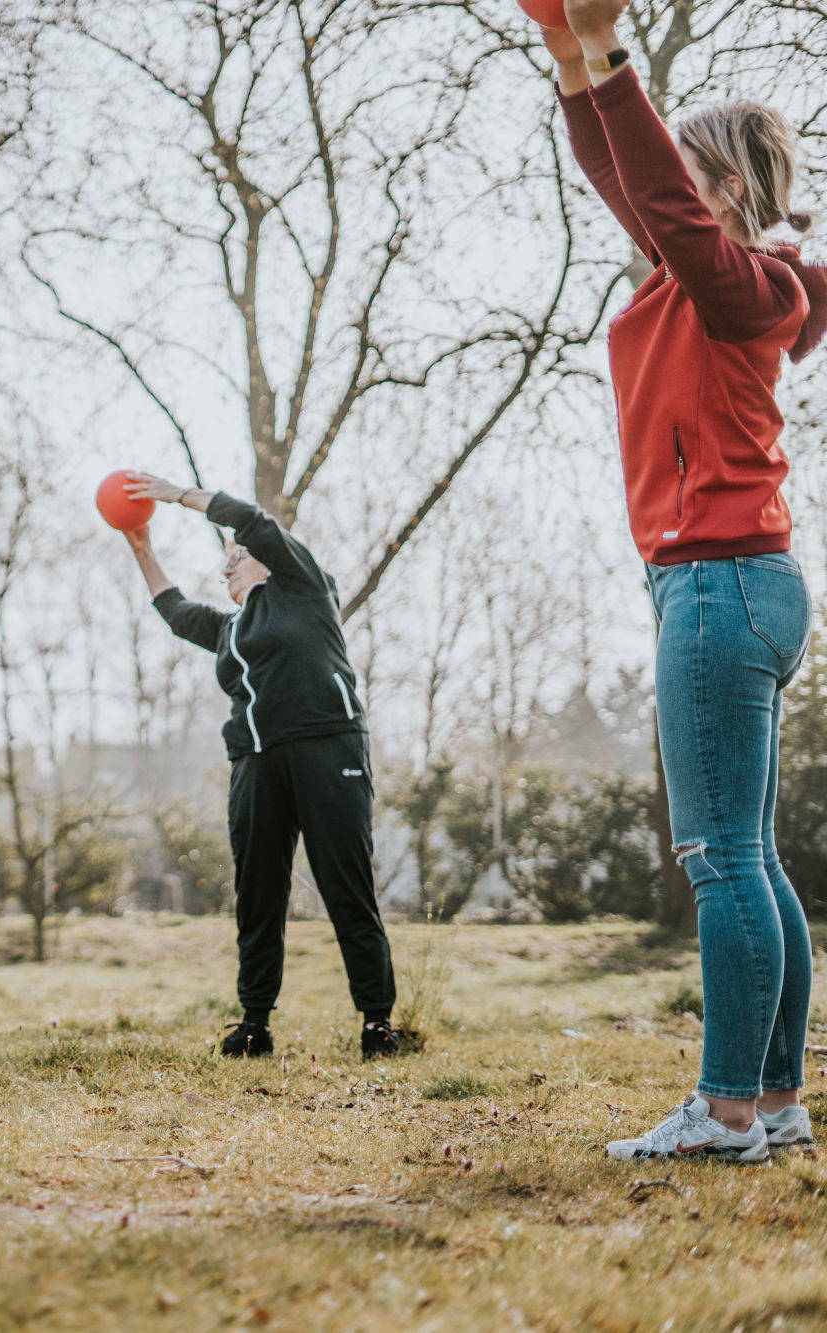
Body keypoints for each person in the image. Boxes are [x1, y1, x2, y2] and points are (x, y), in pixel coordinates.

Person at [548, 0, 826, 1162]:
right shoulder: (692, 276)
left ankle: (722, 1111)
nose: (662, 192)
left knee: (718, 858)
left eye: (686, 175)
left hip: (717, 584)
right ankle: (773, 1101)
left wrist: (612, 60)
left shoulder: (740, 288)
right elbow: (625, 177)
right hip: (727, 583)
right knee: (748, 856)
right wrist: (569, 58)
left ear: (722, 190)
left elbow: (653, 191)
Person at [119, 476, 399, 1060]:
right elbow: (175, 612)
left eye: (237, 557)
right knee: (258, 893)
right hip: (254, 761)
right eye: (225, 561)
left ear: (269, 562)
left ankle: (378, 1024)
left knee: (345, 886)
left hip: (328, 747)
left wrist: (177, 495)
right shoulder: (230, 629)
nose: (227, 567)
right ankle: (254, 1024)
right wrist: (141, 546)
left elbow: (255, 522)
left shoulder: (305, 587)